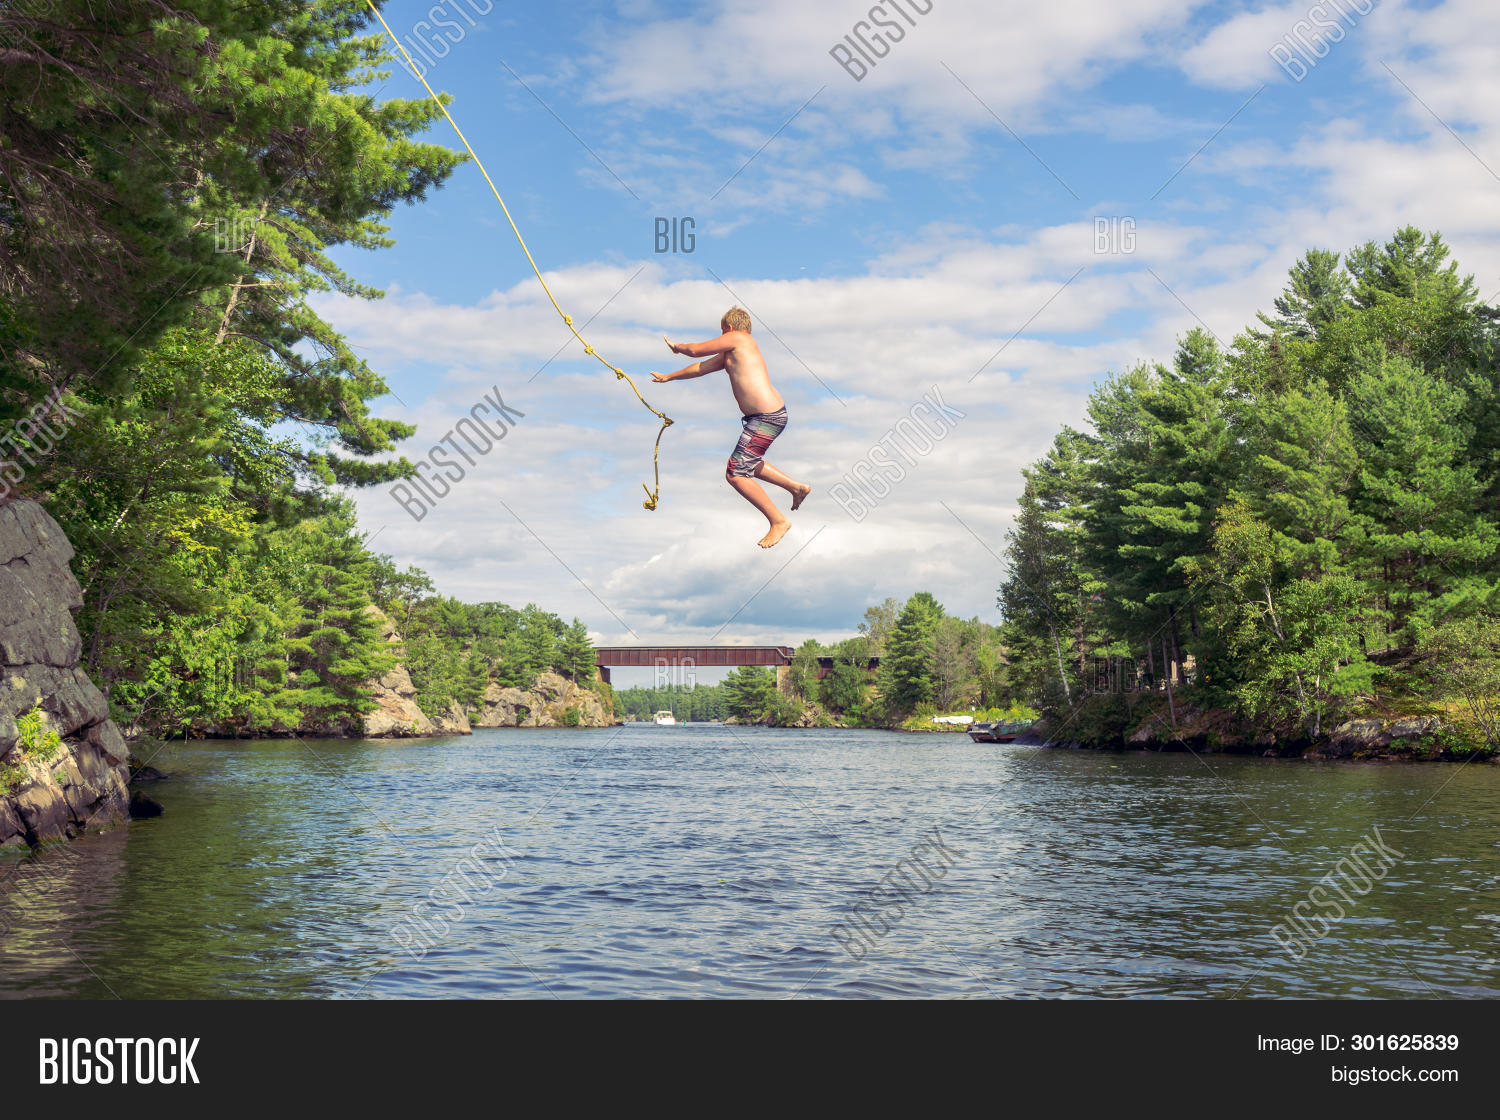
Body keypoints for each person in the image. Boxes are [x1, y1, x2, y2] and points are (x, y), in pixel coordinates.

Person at [653, 307, 810, 547]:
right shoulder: (733, 352)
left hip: (765, 417)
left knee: (736, 473)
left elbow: (695, 351)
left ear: (728, 328)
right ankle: (795, 487)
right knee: (747, 462)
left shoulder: (740, 338)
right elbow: (700, 367)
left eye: (721, 332)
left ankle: (778, 520)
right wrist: (670, 376)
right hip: (768, 416)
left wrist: (678, 347)